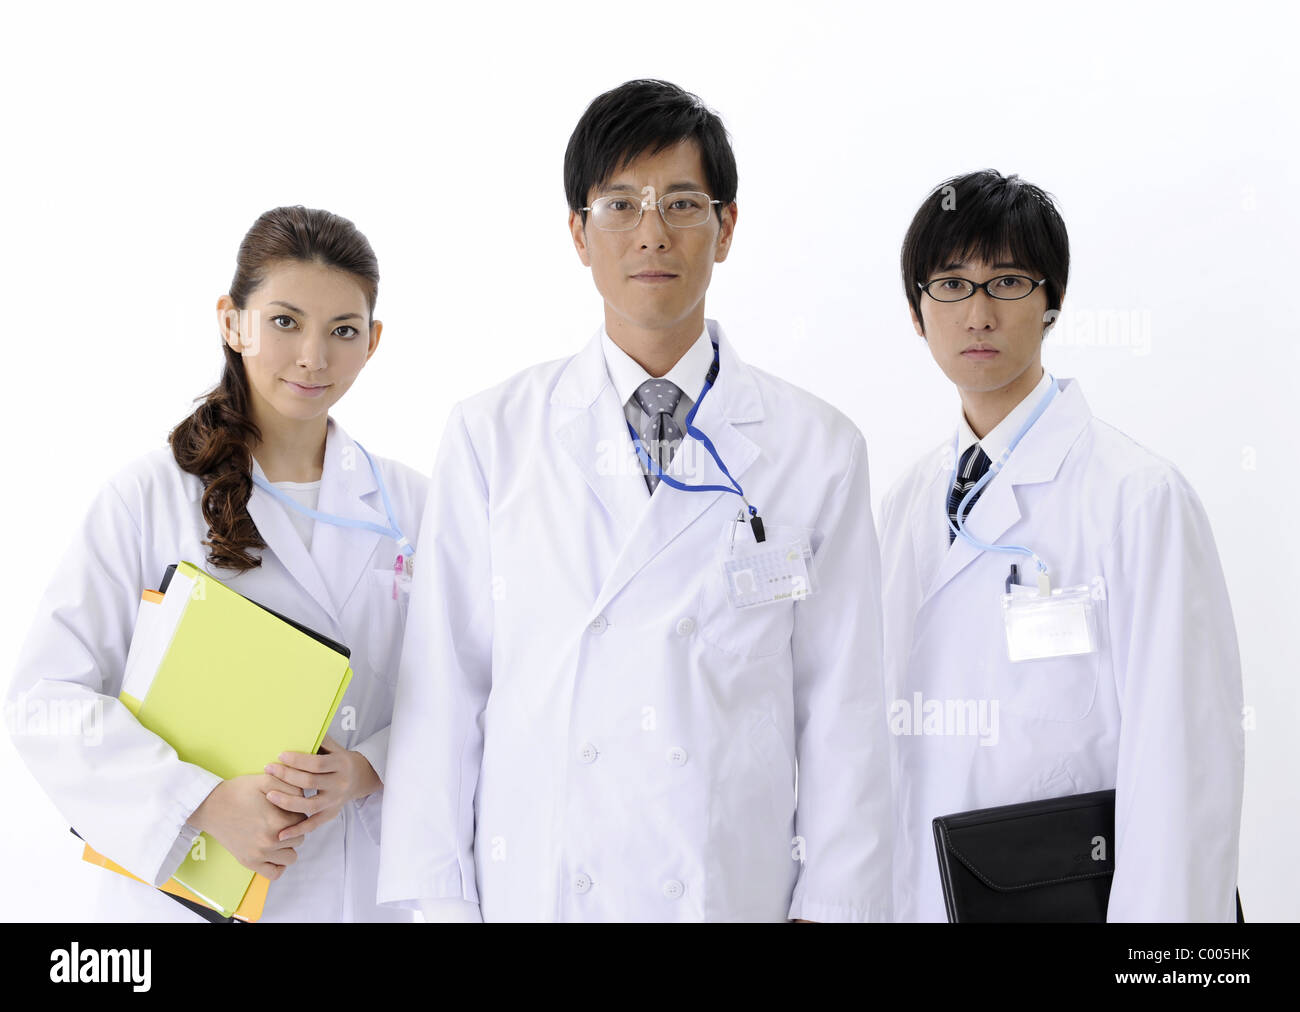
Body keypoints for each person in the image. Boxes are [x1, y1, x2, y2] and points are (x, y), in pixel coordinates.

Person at [377, 79, 892, 922]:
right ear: (579, 234)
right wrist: (440, 905)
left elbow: (845, 711)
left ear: (727, 227)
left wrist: (833, 910)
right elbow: (444, 692)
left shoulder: (819, 448)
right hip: (542, 896)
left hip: (726, 896)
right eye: (621, 205)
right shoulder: (491, 436)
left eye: (682, 203)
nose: (652, 233)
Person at [6, 205, 426, 921]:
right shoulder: (149, 496)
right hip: (185, 893)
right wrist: (200, 801)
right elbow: (46, 699)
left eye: (343, 330)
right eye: (285, 321)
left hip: (358, 889)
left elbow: (467, 691)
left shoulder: (416, 505)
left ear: (373, 341)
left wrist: (365, 769)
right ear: (233, 322)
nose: (313, 358)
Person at [879, 169, 1244, 921]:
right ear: (917, 312)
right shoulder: (904, 503)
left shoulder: (1139, 498)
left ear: (1053, 302)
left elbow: (1183, 767)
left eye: (1008, 282)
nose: (978, 313)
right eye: (951, 284)